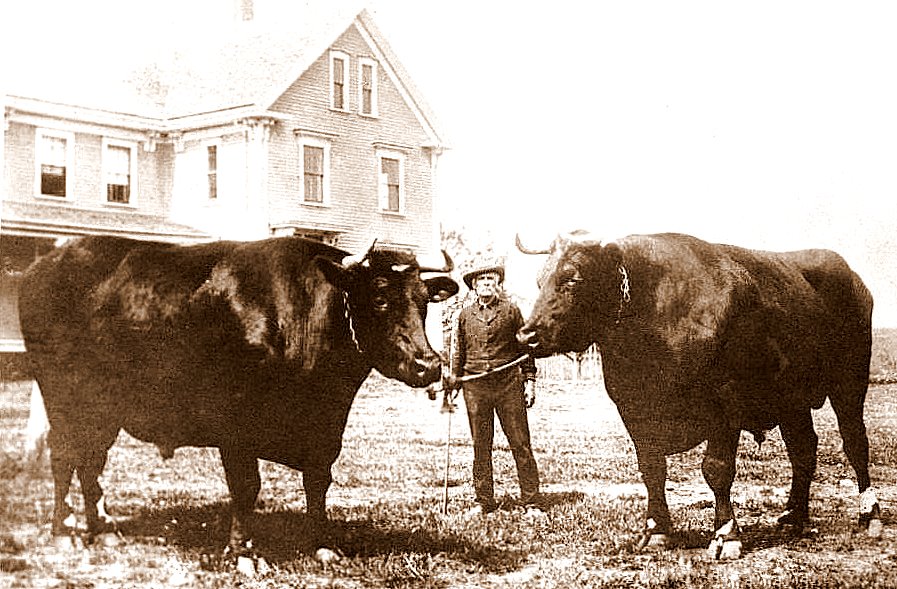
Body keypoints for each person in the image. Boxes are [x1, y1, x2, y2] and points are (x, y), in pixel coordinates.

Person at [445, 258, 541, 515]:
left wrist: (529, 382)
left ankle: (531, 501)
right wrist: (454, 381)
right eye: (481, 281)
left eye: (491, 280)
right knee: (481, 444)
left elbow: (526, 349)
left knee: (520, 442)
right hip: (474, 387)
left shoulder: (511, 311)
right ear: (474, 287)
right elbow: (458, 351)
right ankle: (483, 501)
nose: (486, 284)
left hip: (508, 384)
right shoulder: (464, 315)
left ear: (497, 284)